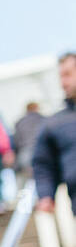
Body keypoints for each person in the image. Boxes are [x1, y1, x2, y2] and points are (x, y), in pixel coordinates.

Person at [34, 52, 76, 215]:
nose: (62, 83)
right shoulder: (55, 124)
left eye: (67, 75)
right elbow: (43, 162)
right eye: (61, 77)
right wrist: (45, 194)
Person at [11, 101, 45, 185]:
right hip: (41, 152)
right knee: (42, 179)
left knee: (27, 182)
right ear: (37, 108)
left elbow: (15, 142)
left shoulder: (19, 122)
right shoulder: (44, 120)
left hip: (24, 154)